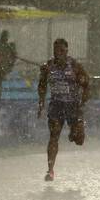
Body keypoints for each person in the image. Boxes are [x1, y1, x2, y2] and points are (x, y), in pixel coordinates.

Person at [37, 38, 89, 182]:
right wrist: (41, 102)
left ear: (67, 51)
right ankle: (50, 170)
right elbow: (42, 85)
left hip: (72, 105)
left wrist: (83, 100)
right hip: (56, 105)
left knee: (79, 140)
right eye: (55, 50)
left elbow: (86, 83)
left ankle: (74, 133)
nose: (58, 53)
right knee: (54, 136)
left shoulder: (74, 65)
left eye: (61, 50)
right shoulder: (48, 66)